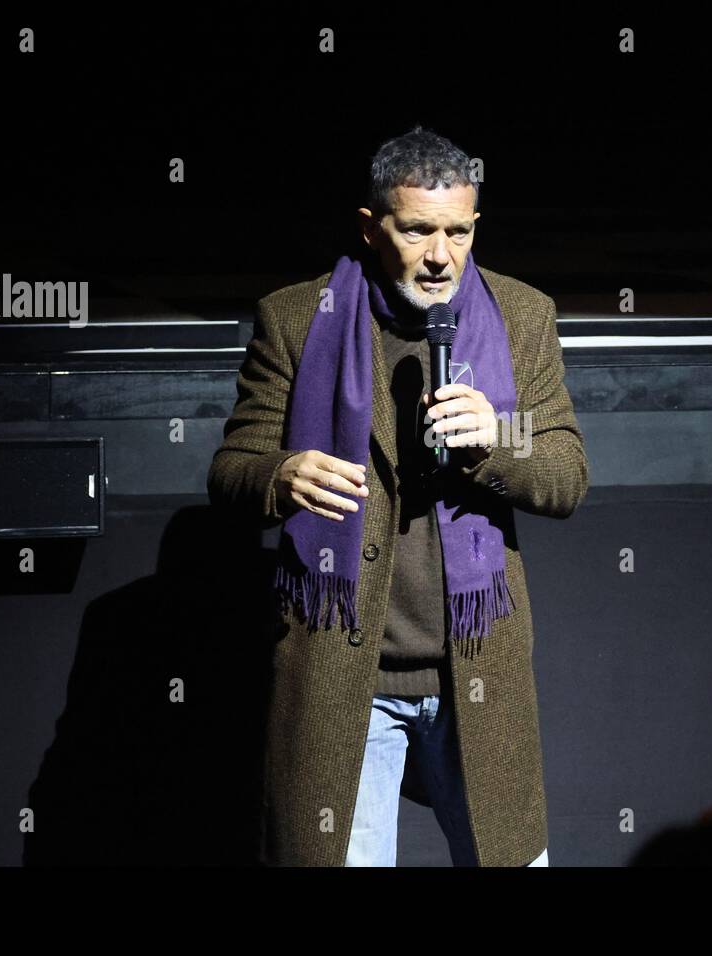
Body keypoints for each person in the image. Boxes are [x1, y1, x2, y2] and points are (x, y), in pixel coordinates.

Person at [207, 126, 589, 866]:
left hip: (476, 669)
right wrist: (279, 476)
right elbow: (231, 471)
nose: (440, 255)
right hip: (341, 674)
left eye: (458, 231)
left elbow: (567, 475)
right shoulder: (295, 319)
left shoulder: (522, 316)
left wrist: (497, 443)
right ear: (370, 225)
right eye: (417, 230)